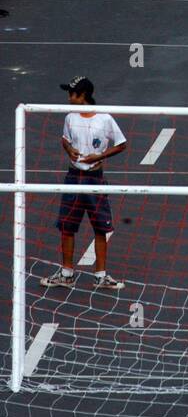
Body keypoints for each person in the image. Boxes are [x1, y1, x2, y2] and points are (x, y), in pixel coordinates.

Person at [39, 76, 127, 290]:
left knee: (100, 227)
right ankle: (67, 273)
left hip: (95, 178)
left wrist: (97, 157)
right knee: (67, 226)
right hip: (73, 177)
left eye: (72, 94)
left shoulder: (104, 119)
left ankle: (101, 275)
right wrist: (70, 150)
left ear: (83, 95)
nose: (69, 98)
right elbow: (65, 139)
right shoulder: (70, 117)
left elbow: (122, 144)